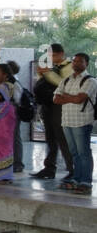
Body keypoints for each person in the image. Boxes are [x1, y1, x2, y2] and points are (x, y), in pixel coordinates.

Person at [54, 52, 95, 194]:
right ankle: (76, 179)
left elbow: (80, 99)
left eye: (80, 61)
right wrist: (71, 97)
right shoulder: (66, 80)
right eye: (74, 61)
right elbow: (56, 99)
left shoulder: (90, 81)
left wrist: (65, 96)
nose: (76, 63)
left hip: (82, 121)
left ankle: (86, 182)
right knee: (74, 153)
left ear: (86, 64)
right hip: (67, 121)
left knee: (84, 153)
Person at [32, 43, 74, 181]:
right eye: (49, 55)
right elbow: (44, 83)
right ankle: (49, 168)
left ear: (62, 54)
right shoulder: (52, 67)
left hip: (60, 106)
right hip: (48, 105)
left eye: (54, 55)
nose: (51, 57)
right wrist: (41, 74)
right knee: (50, 139)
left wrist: (47, 73)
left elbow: (63, 84)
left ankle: (72, 169)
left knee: (62, 138)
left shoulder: (69, 66)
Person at [5, 60, 25, 173]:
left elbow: (16, 99)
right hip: (9, 111)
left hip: (12, 112)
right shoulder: (13, 81)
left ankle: (18, 163)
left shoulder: (14, 82)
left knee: (15, 137)